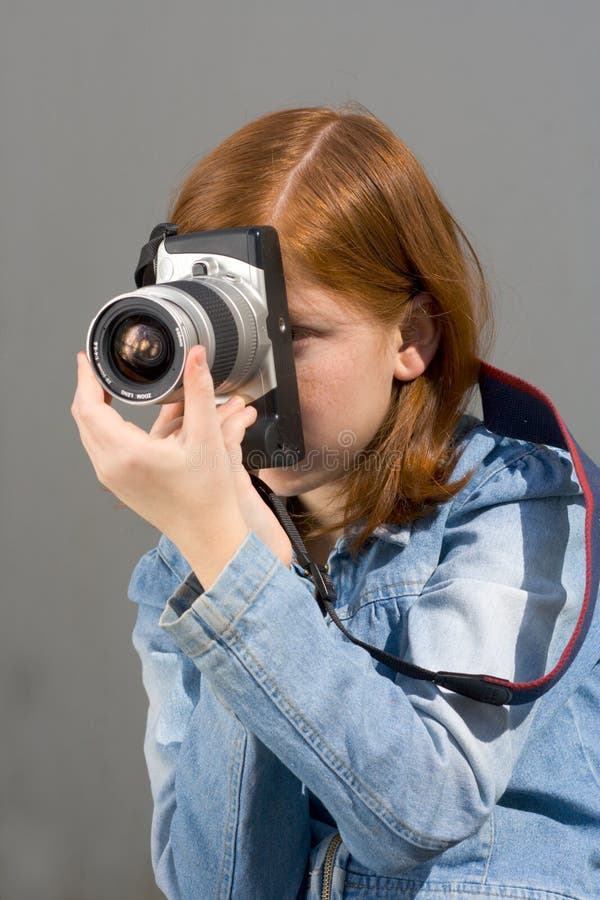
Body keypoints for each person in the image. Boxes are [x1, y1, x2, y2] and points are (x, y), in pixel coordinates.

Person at [71, 106, 599, 900]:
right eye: (220, 341)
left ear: (411, 336)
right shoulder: (192, 555)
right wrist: (230, 564)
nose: (247, 378)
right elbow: (223, 887)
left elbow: (421, 812)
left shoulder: (517, 508)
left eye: (295, 335)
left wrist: (240, 581)